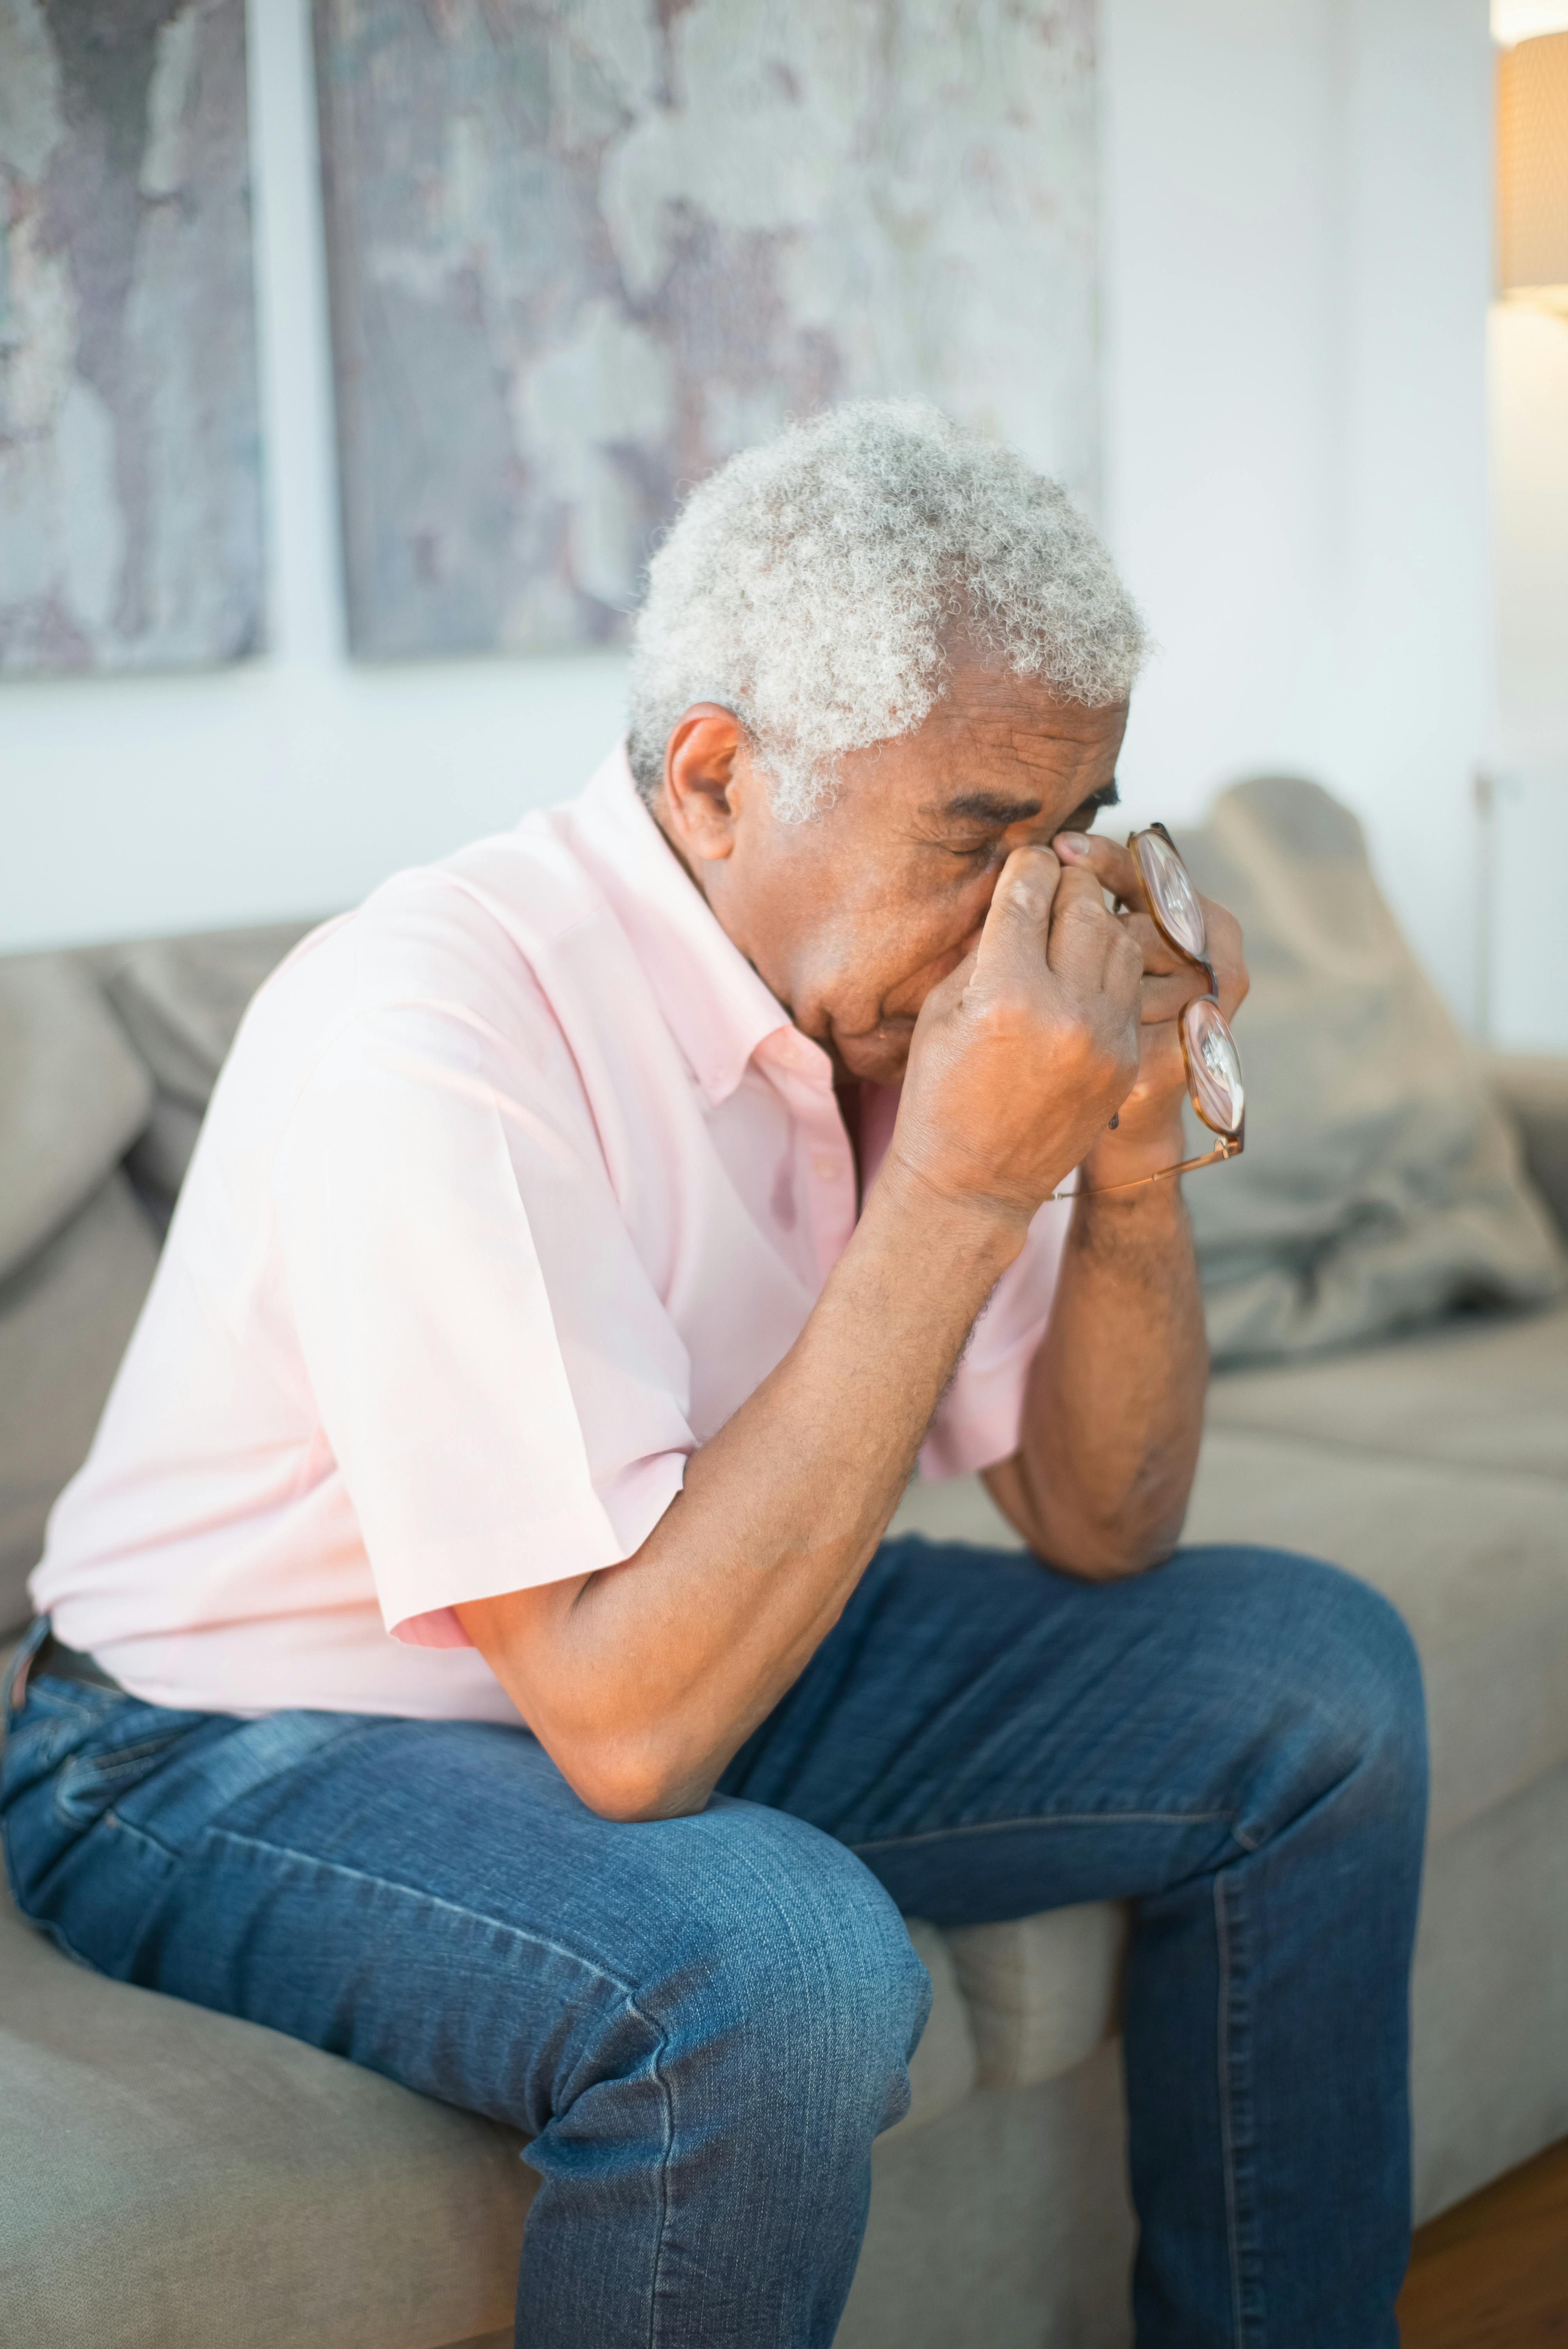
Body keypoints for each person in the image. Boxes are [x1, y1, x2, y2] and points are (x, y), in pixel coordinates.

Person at [2, 403, 1426, 2348]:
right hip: (220, 1736)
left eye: (1076, 824)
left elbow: (1106, 1526)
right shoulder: (426, 1023)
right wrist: (955, 1175)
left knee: (1313, 1684)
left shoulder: (891, 1000)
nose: (1038, 909)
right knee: (773, 1967)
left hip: (706, 1609)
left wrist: (1123, 1149)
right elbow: (627, 1730)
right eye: (977, 837)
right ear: (714, 777)